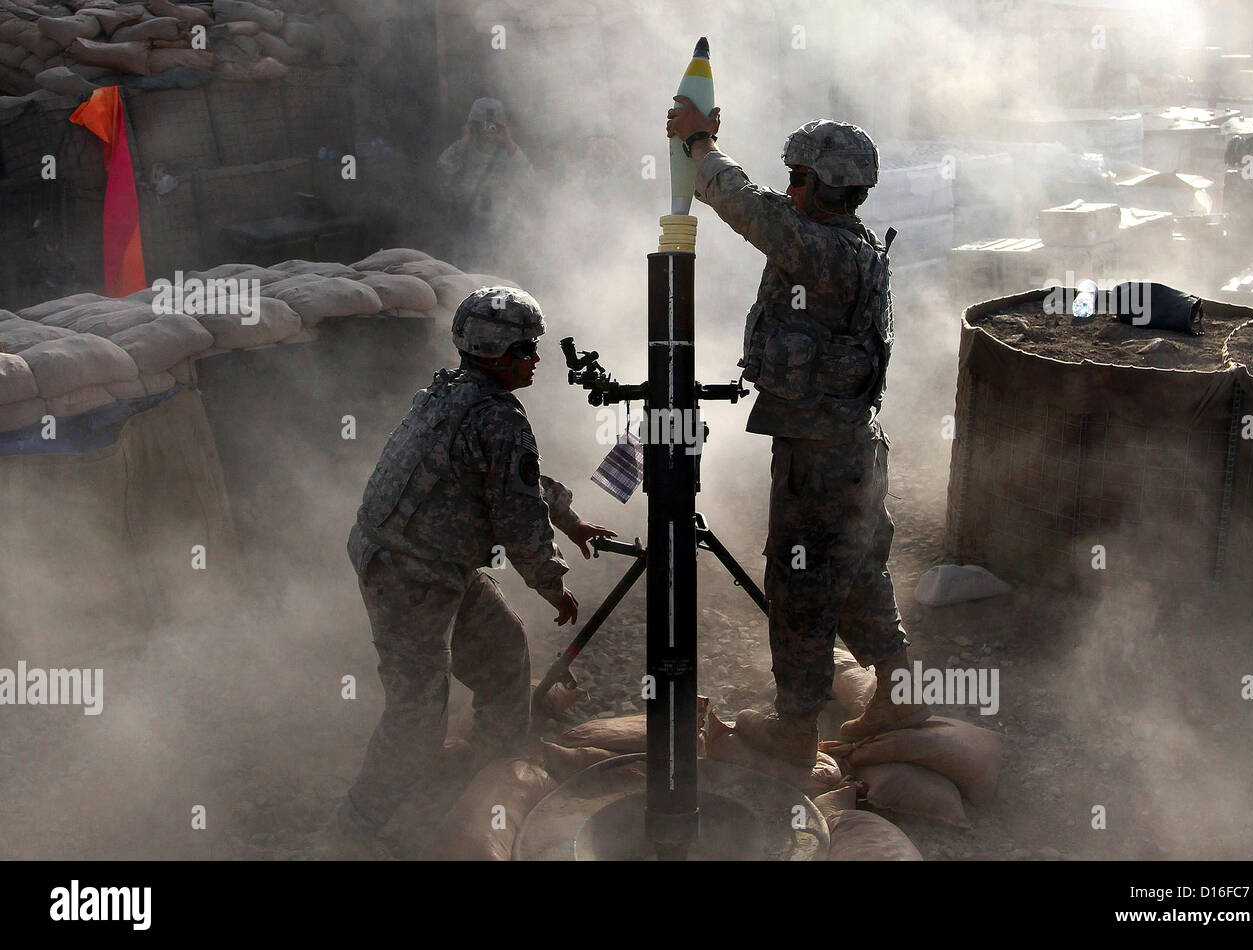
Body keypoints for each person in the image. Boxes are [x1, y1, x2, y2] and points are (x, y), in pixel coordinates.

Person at [665, 98, 930, 767]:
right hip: (857, 449)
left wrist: (698, 141)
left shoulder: (818, 247)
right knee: (861, 568)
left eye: (798, 178)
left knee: (799, 584)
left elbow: (744, 203)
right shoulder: (859, 248)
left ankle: (794, 730)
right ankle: (899, 689)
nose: (789, 190)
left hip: (817, 455)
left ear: (817, 185)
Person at [337, 286, 614, 853]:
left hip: (432, 564)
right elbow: (517, 516)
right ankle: (357, 827)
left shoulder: (457, 394)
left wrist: (574, 522)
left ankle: (494, 767)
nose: (536, 360)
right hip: (407, 574)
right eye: (528, 350)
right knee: (417, 715)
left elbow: (516, 482)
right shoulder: (495, 416)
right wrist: (552, 581)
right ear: (501, 354)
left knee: (504, 651)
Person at [435, 97, 534, 270]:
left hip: (501, 222)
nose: (488, 131)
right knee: (468, 270)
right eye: (483, 125)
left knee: (500, 271)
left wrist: (508, 141)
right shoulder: (464, 149)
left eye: (493, 126)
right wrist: (464, 142)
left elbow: (528, 175)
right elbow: (443, 167)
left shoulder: (508, 152)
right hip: (468, 222)